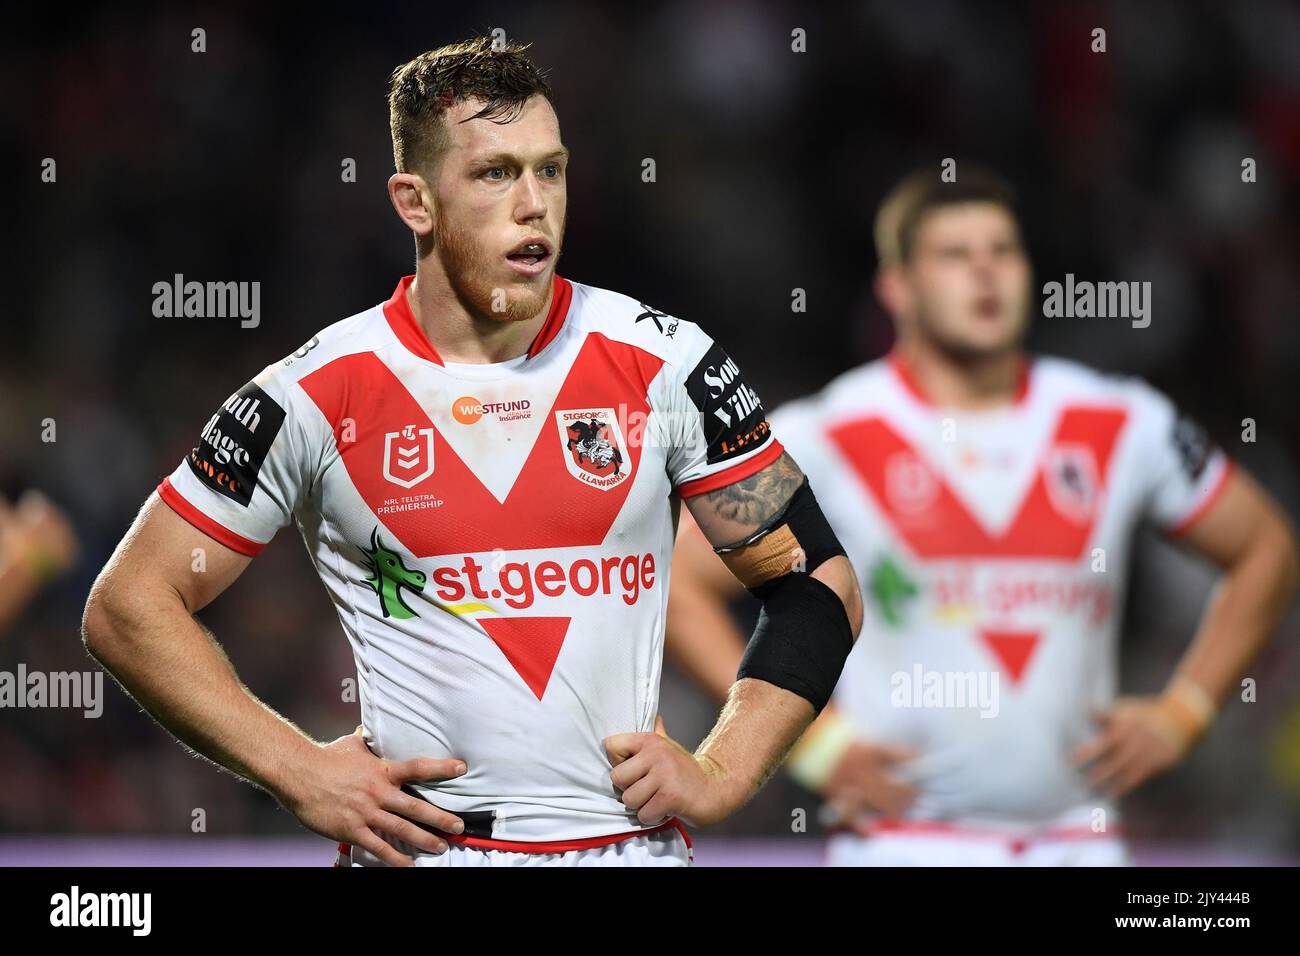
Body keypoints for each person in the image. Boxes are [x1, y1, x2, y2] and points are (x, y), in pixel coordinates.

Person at [80, 36, 862, 868]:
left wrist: (725, 771)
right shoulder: (315, 393)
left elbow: (817, 579)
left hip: (627, 851)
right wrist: (297, 770)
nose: (535, 205)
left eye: (550, 170)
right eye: (496, 174)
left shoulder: (668, 365)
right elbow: (128, 604)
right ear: (414, 201)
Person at [666, 166, 1300, 866]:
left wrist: (1183, 712)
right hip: (908, 846)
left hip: (1079, 845)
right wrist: (810, 746)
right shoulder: (830, 433)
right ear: (897, 288)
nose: (986, 273)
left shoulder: (1118, 420)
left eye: (1003, 251)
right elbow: (679, 581)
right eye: (954, 256)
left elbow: (1266, 547)